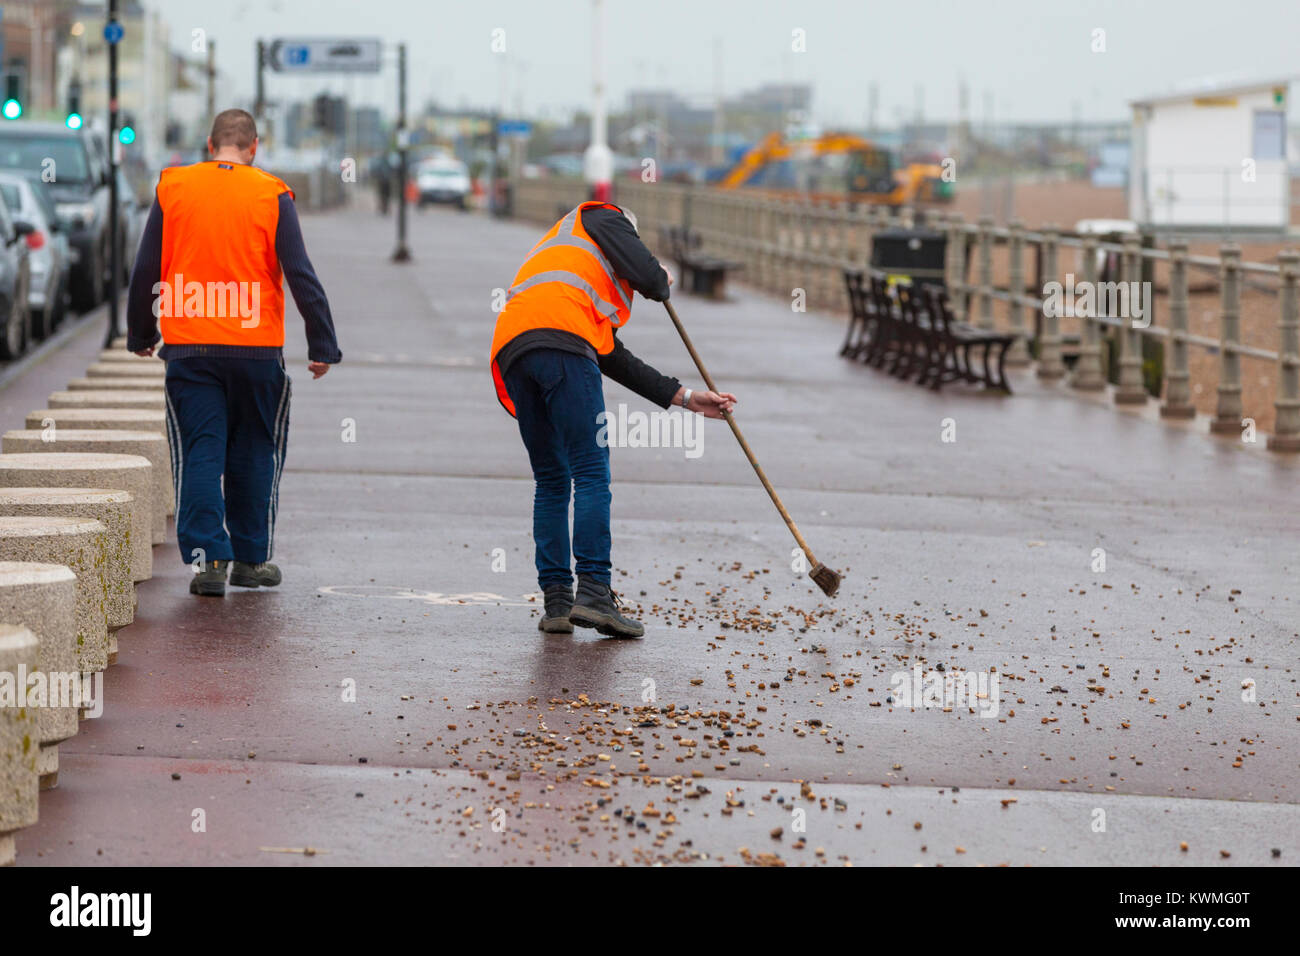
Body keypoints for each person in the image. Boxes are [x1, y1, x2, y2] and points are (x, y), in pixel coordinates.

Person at [490, 200, 736, 637]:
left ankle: (559, 602)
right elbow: (650, 277)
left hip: (514, 350)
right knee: (589, 471)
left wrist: (686, 397)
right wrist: (660, 279)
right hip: (561, 342)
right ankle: (595, 593)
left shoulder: (567, 269)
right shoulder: (602, 216)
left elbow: (611, 356)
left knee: (550, 479)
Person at [126, 108, 342, 597]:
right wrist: (322, 342)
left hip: (190, 348)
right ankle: (250, 560)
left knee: (202, 450)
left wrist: (140, 332)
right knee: (254, 450)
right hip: (256, 350)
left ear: (209, 145)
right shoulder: (272, 193)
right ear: (254, 147)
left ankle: (207, 564)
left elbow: (145, 269)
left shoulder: (173, 187)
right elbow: (300, 271)